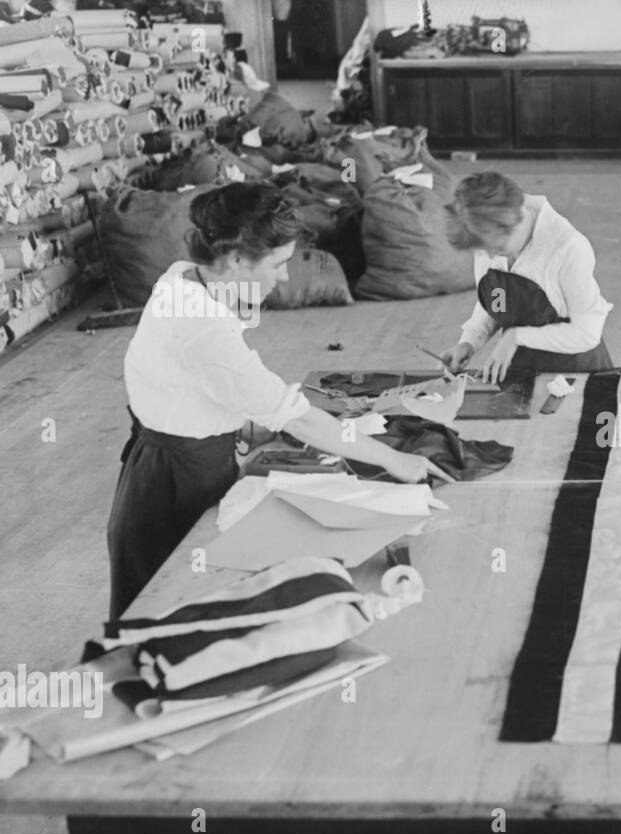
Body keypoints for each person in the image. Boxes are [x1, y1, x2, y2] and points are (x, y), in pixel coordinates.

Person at [106, 182, 448, 625]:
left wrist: (243, 418)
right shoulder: (200, 328)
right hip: (173, 486)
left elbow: (197, 385)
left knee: (196, 609)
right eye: (278, 263)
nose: (285, 276)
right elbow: (299, 420)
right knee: (167, 613)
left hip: (174, 458)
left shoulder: (185, 276)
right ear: (235, 259)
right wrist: (393, 461)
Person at [437, 171, 614, 384]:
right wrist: (469, 342)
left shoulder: (567, 248)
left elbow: (587, 333)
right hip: (520, 370)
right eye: (482, 251)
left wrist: (516, 337)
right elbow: (498, 298)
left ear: (515, 221)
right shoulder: (486, 239)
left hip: (575, 372)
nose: (490, 256)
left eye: (496, 248)